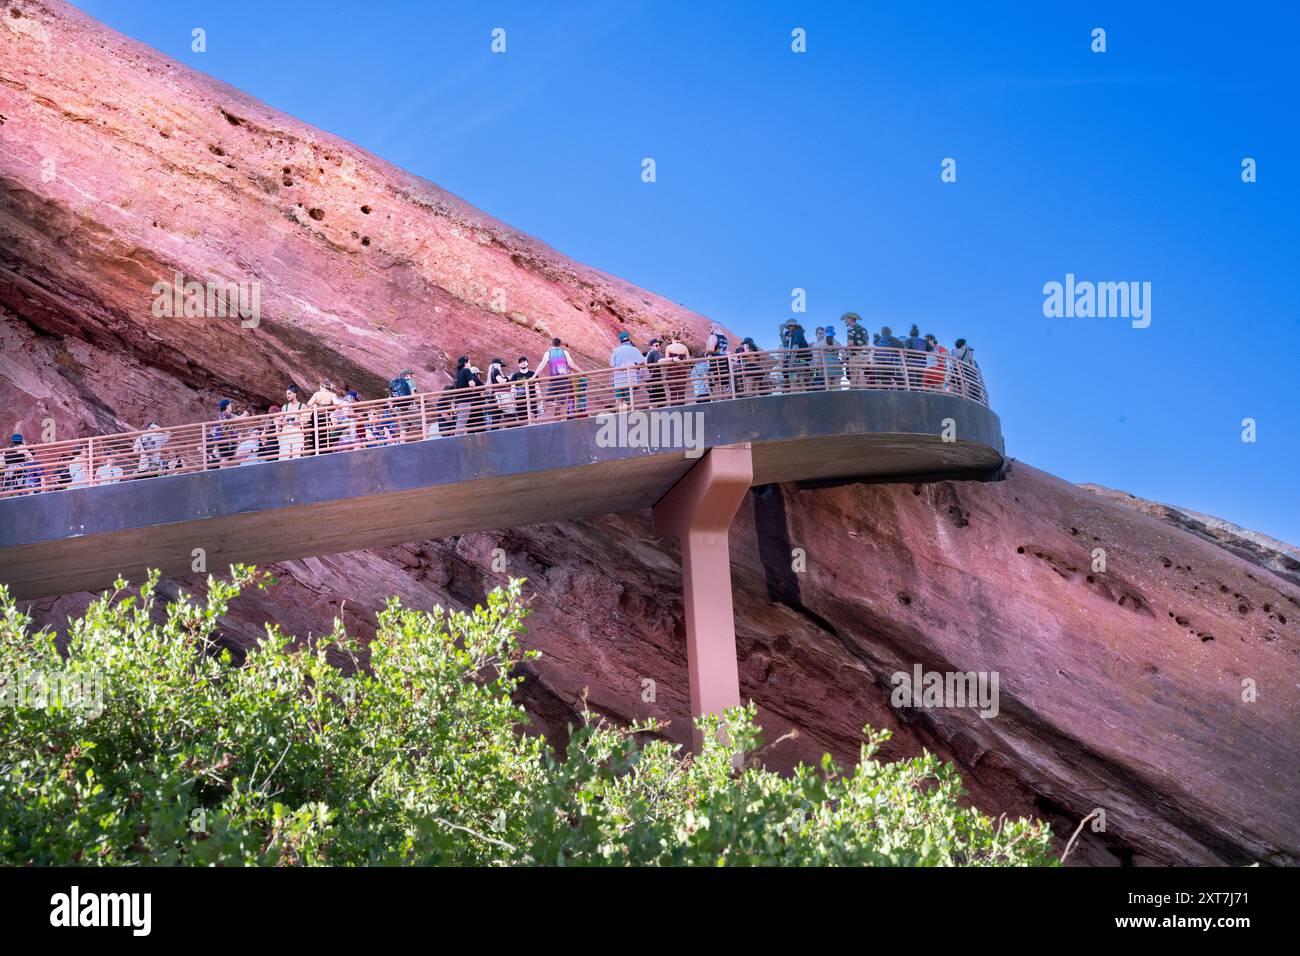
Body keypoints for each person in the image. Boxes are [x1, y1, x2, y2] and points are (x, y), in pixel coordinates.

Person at [538, 338, 580, 419]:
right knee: (560, 402)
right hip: (564, 380)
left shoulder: (549, 353)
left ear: (552, 344)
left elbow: (541, 365)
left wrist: (534, 376)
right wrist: (581, 372)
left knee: (548, 401)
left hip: (554, 381)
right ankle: (558, 412)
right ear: (560, 344)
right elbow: (571, 364)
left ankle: (558, 412)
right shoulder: (564, 352)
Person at [610, 330, 645, 411]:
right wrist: (636, 367)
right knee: (629, 401)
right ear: (628, 339)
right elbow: (642, 361)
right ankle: (630, 416)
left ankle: (620, 417)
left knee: (620, 401)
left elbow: (612, 364)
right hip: (629, 378)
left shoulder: (616, 350)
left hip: (618, 379)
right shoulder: (633, 349)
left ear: (620, 340)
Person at [452, 357, 482, 434]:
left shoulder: (457, 373)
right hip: (465, 400)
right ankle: (457, 439)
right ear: (465, 363)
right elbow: (471, 384)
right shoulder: (467, 370)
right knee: (462, 421)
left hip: (458, 400)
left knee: (460, 421)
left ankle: (457, 437)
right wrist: (474, 383)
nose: (470, 364)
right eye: (469, 362)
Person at [307, 380, 339, 451]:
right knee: (325, 435)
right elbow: (337, 403)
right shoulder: (333, 395)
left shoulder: (317, 394)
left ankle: (315, 451)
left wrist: (315, 405)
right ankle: (325, 450)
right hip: (325, 417)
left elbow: (309, 404)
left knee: (315, 434)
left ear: (322, 386)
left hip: (316, 416)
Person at [388, 369, 418, 441]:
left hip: (398, 408)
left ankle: (401, 443)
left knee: (403, 429)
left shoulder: (396, 384)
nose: (413, 376)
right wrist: (421, 400)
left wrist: (392, 408)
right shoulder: (410, 382)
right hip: (409, 407)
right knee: (422, 423)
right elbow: (413, 395)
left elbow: (390, 398)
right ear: (407, 375)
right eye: (411, 374)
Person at [779, 319, 810, 390]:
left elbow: (795, 347)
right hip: (799, 362)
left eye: (790, 326)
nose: (789, 328)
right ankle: (803, 398)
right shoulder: (796, 333)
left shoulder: (797, 332)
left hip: (796, 361)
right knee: (800, 380)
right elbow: (785, 344)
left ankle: (797, 397)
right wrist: (781, 333)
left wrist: (791, 361)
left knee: (794, 382)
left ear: (793, 326)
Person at [280, 385, 309, 460]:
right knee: (283, 455)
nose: (287, 396)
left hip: (297, 431)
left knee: (296, 455)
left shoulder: (302, 406)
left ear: (295, 394)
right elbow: (281, 421)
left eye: (289, 393)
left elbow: (306, 420)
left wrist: (299, 422)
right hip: (286, 432)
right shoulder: (284, 407)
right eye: (287, 394)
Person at [843, 312, 870, 388]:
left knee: (853, 375)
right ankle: (862, 392)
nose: (845, 321)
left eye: (846, 319)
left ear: (851, 319)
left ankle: (852, 394)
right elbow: (867, 342)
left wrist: (846, 348)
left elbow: (850, 343)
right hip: (864, 355)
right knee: (861, 374)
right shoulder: (863, 328)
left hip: (855, 355)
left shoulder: (850, 329)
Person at [663, 333, 691, 406]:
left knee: (673, 392)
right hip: (682, 371)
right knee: (682, 391)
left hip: (672, 371)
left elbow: (667, 360)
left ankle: (674, 409)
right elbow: (688, 361)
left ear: (672, 339)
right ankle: (682, 408)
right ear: (679, 339)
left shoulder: (669, 347)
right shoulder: (685, 347)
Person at [705, 326, 732, 398]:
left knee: (716, 382)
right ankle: (726, 401)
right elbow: (725, 351)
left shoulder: (713, 336)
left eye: (711, 327)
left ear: (714, 328)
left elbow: (711, 349)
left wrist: (706, 352)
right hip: (724, 362)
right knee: (723, 383)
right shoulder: (725, 338)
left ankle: (718, 401)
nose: (710, 329)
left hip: (716, 362)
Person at [487, 358, 513, 428]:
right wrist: (508, 378)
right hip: (499, 396)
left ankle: (495, 435)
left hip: (493, 396)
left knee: (496, 418)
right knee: (508, 415)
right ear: (497, 365)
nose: (501, 368)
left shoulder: (491, 372)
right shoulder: (496, 370)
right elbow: (500, 381)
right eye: (500, 366)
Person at [510, 356, 536, 424]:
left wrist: (540, 400)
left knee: (532, 419)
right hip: (520, 401)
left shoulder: (533, 374)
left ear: (527, 363)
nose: (523, 363)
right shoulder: (515, 376)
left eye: (524, 361)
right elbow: (512, 389)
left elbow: (537, 388)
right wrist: (513, 401)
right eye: (520, 362)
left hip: (531, 400)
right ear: (518, 364)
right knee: (522, 421)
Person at [645, 337, 665, 408]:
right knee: (661, 403)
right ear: (651, 347)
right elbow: (659, 361)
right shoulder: (654, 352)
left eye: (659, 345)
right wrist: (671, 359)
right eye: (656, 345)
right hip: (656, 380)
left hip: (652, 380)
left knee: (653, 400)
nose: (658, 347)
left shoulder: (649, 354)